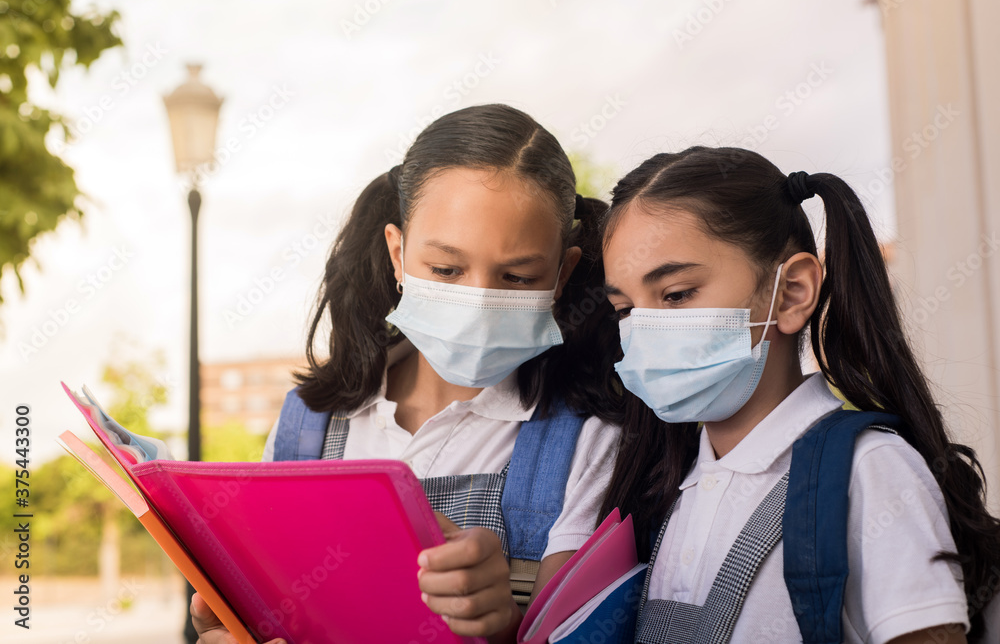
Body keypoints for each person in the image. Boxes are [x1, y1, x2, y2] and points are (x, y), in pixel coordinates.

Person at [191, 104, 621, 644]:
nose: (478, 301)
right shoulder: (309, 424)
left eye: (517, 276)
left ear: (562, 275)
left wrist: (502, 624)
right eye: (445, 269)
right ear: (398, 254)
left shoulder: (590, 443)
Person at [598, 146, 1000, 643]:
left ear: (791, 292)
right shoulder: (665, 487)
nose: (645, 329)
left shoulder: (869, 472)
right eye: (624, 309)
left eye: (677, 294)